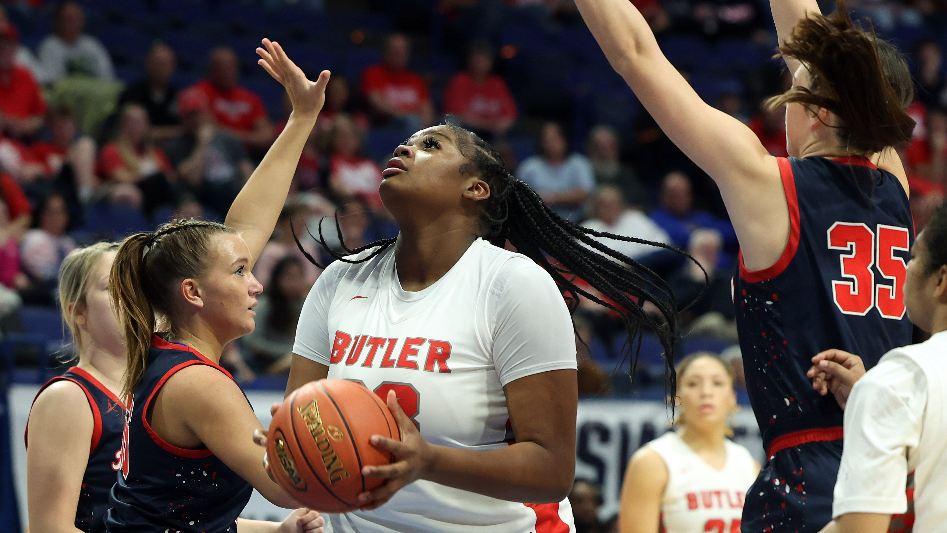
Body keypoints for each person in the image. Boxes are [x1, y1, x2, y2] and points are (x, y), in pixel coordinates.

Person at [277, 78, 684, 533]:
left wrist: (428, 461)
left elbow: (551, 471)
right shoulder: (339, 279)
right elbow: (298, 431)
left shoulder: (514, 284)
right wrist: (288, 451)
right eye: (406, 142)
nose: (405, 148)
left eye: (431, 144)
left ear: (475, 189)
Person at [573, 0, 916, 530]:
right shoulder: (893, 179)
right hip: (895, 468)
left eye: (798, 88)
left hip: (813, 478)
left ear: (819, 111)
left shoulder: (769, 185)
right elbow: (806, 34)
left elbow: (637, 53)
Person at [103, 39, 328, 533]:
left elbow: (172, 512)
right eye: (240, 273)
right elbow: (289, 484)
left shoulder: (170, 356)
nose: (257, 287)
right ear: (193, 293)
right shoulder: (201, 384)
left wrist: (302, 117)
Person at [807, 202, 947, 533]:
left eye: (913, 257)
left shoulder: (899, 381)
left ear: (941, 280)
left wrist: (882, 396)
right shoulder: (897, 385)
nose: (906, 269)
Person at [25, 242, 124, 532]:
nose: (131, 295)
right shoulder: (68, 399)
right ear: (79, 311)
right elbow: (49, 528)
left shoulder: (157, 392)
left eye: (135, 284)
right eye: (113, 287)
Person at [618, 353, 759, 533]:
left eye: (717, 383)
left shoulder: (748, 465)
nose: (706, 392)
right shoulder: (652, 462)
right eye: (693, 383)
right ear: (676, 396)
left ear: (732, 397)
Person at [188, 47, 275, 153]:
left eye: (231, 66)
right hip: (215, 153)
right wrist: (250, 138)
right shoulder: (199, 93)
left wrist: (234, 137)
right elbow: (209, 130)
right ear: (211, 69)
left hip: (248, 155)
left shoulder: (250, 98)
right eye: (222, 66)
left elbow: (267, 135)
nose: (228, 71)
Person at [97, 104, 177, 216]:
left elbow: (170, 177)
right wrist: (150, 177)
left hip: (159, 196)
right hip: (135, 191)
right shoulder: (112, 149)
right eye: (134, 121)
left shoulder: (155, 153)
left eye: (142, 121)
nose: (138, 126)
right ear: (123, 125)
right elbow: (120, 176)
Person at [242, 255, 310, 374]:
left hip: (297, 362)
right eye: (290, 276)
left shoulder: (307, 307)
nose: (294, 282)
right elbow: (252, 341)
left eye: (299, 276)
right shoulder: (264, 305)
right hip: (263, 363)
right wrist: (287, 353)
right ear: (277, 278)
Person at [517, 121, 596, 222]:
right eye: (547, 140)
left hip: (577, 223)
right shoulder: (529, 167)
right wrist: (567, 197)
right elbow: (520, 197)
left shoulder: (579, 163)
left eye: (555, 139)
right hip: (538, 223)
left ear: (565, 139)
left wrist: (551, 198)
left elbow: (584, 193)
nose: (551, 144)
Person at [443, 42, 518, 141]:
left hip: (492, 132)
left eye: (484, 59)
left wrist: (501, 125)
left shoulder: (497, 83)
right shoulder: (461, 80)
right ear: (470, 60)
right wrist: (487, 125)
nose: (481, 63)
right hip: (467, 130)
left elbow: (510, 115)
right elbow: (458, 114)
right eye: (477, 59)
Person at [359, 33, 434, 129]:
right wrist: (405, 115)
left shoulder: (415, 79)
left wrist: (425, 124)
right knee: (412, 121)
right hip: (385, 124)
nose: (398, 53)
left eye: (402, 50)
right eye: (394, 49)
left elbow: (426, 108)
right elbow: (376, 102)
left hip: (416, 125)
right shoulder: (373, 73)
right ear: (385, 51)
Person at [36, 1, 114, 85]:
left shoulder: (91, 43)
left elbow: (107, 76)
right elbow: (52, 82)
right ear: (58, 21)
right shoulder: (50, 46)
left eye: (78, 17)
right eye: (70, 18)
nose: (75, 22)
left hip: (96, 93)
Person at [117, 42, 181, 143]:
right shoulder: (132, 93)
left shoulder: (177, 95)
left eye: (166, 63)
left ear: (173, 67)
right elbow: (130, 130)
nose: (162, 68)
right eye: (158, 63)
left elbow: (183, 130)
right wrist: (168, 133)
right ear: (147, 63)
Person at [0, 21, 46, 141]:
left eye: (8, 44)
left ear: (15, 47)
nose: (3, 49)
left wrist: (27, 125)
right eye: (0, 44)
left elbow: (41, 115)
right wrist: (11, 123)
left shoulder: (25, 75)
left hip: (26, 139)